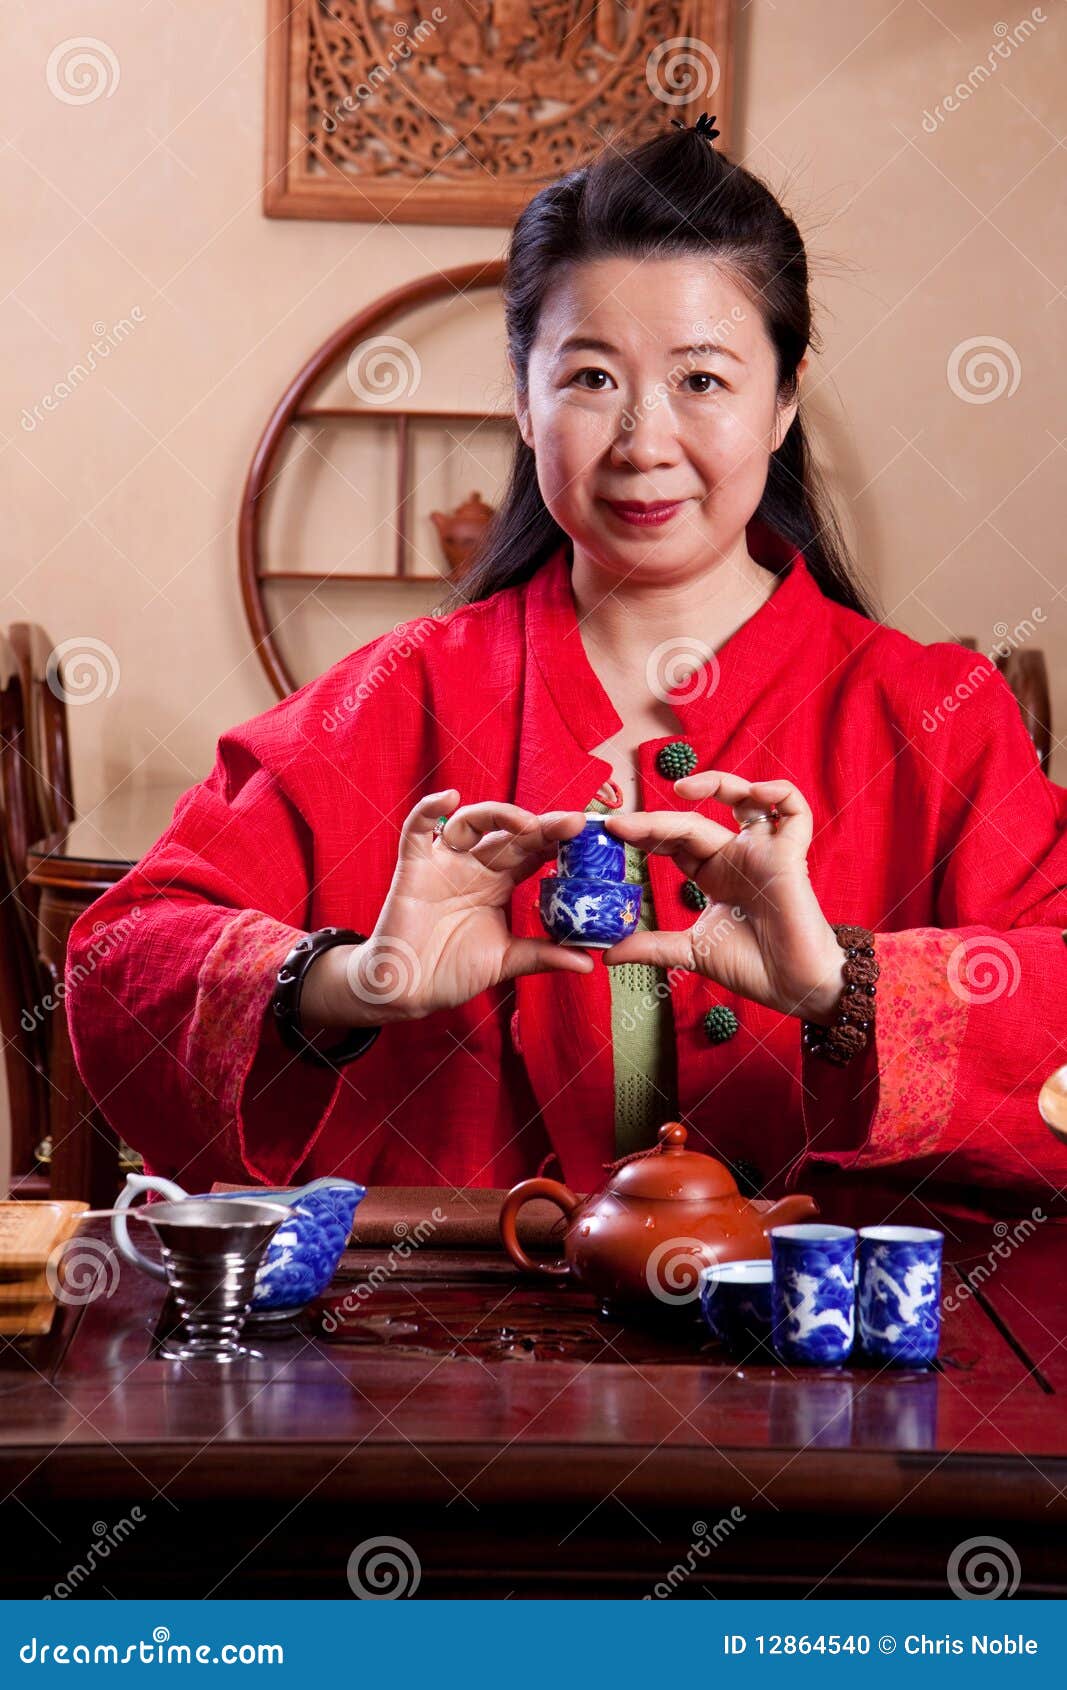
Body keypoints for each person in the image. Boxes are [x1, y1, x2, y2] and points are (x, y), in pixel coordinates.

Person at [65, 115, 1067, 1218]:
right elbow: (121, 964)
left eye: (701, 380)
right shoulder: (395, 697)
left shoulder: (932, 714)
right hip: (453, 1360)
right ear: (523, 396)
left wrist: (843, 984)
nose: (641, 439)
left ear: (782, 398)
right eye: (590, 377)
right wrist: (351, 982)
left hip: (832, 1378)